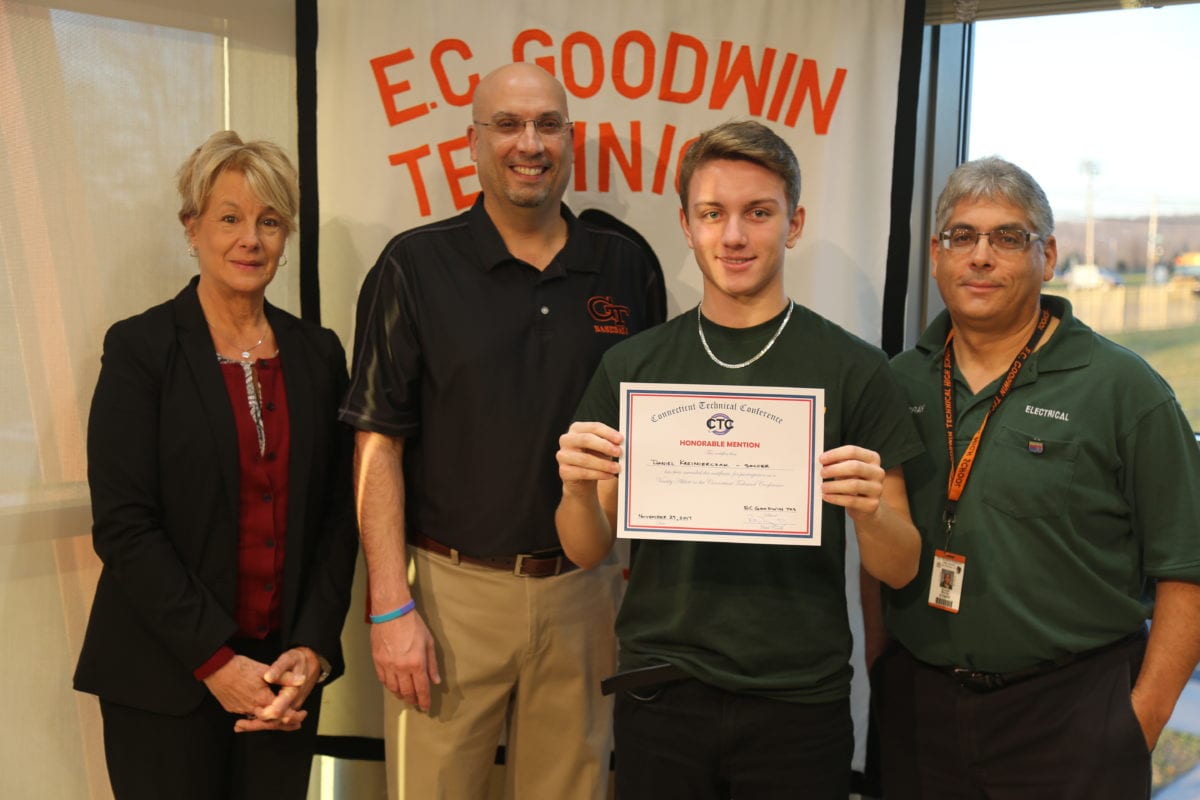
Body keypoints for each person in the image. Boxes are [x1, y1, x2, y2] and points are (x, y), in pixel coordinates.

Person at [554, 119, 923, 799]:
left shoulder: (853, 369)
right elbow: (585, 550)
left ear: (794, 222)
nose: (733, 236)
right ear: (686, 225)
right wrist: (577, 491)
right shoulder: (633, 366)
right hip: (660, 694)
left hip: (797, 701)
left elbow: (899, 563)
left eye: (758, 213)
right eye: (712, 213)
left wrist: (870, 510)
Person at [339, 62, 665, 800]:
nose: (531, 144)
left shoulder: (623, 265)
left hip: (587, 594)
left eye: (548, 124)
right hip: (451, 597)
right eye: (509, 125)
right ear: (474, 141)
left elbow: (652, 432)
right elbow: (375, 445)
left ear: (570, 139)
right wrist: (390, 606)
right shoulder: (415, 265)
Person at [874, 157, 1200, 799]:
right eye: (961, 236)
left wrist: (1139, 723)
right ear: (937, 256)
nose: (981, 256)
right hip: (921, 710)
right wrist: (883, 665)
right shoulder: (897, 383)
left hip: (1072, 716)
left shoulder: (1124, 389)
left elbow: (1186, 571)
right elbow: (878, 538)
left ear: (1047, 255)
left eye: (1008, 237)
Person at [73, 131, 358, 800]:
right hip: (164, 680)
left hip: (283, 681)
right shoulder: (141, 348)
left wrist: (312, 650)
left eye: (269, 221)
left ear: (286, 236)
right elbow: (125, 527)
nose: (249, 239)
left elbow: (339, 519)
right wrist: (217, 662)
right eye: (229, 217)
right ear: (191, 227)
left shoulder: (318, 354)